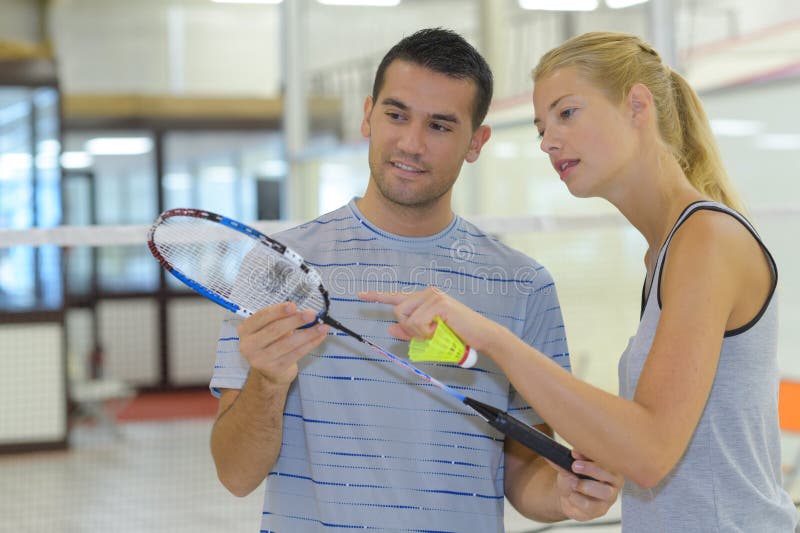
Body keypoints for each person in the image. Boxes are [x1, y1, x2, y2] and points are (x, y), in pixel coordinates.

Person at [361, 31, 799, 532]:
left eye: (566, 113)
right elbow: (643, 443)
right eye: (542, 126)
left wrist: (489, 338)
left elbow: (649, 450)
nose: (548, 140)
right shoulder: (667, 252)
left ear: (637, 105)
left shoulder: (706, 239)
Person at [209, 28, 621, 532]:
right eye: (396, 115)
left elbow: (523, 472)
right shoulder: (277, 267)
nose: (411, 143)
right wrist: (267, 383)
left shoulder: (522, 286)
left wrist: (562, 495)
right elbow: (234, 474)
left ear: (476, 142)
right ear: (368, 115)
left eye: (440, 126)